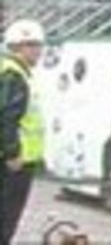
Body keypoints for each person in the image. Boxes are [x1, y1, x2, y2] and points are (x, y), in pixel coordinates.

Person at [0, 19, 46, 245]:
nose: (39, 51)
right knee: (6, 217)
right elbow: (6, 117)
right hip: (14, 163)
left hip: (15, 160)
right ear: (17, 47)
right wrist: (12, 152)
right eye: (34, 45)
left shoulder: (12, 72)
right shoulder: (13, 75)